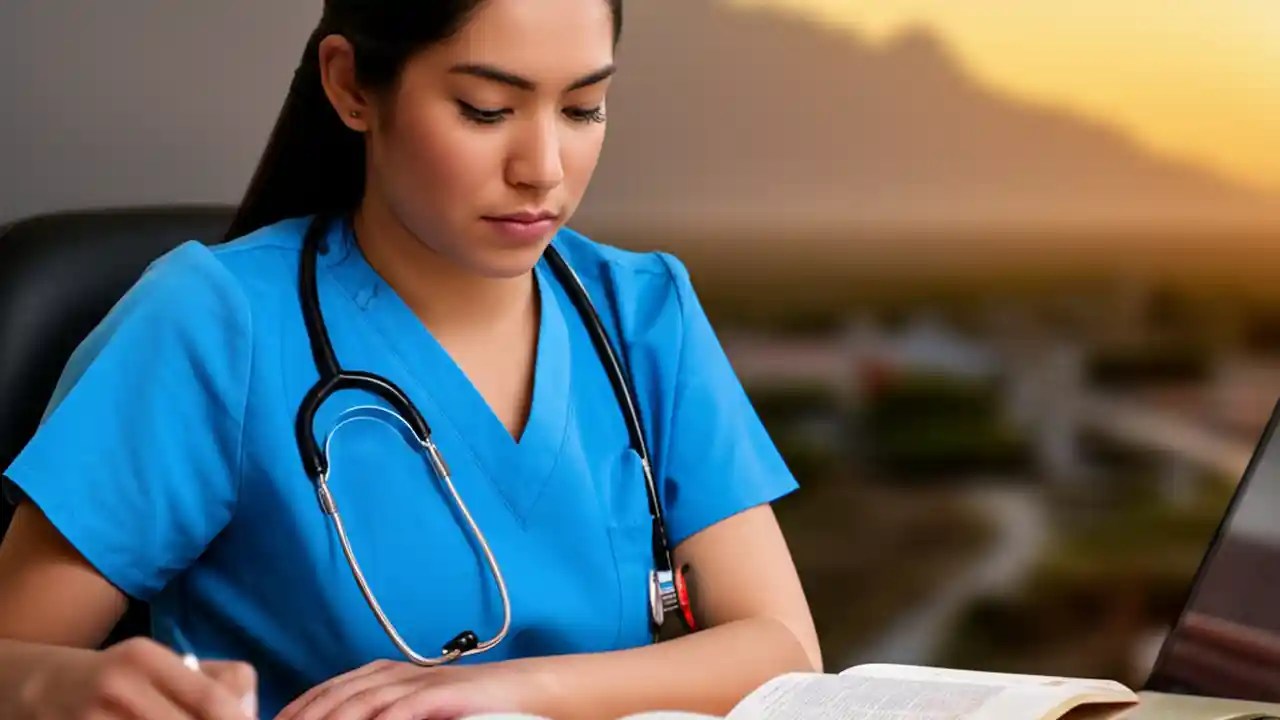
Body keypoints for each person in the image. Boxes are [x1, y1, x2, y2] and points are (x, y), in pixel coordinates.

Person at [0, 1, 822, 718]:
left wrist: (501, 694)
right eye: (486, 109)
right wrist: (68, 689)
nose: (543, 169)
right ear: (352, 86)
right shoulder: (215, 323)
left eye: (584, 109)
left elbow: (783, 649)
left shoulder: (643, 314)